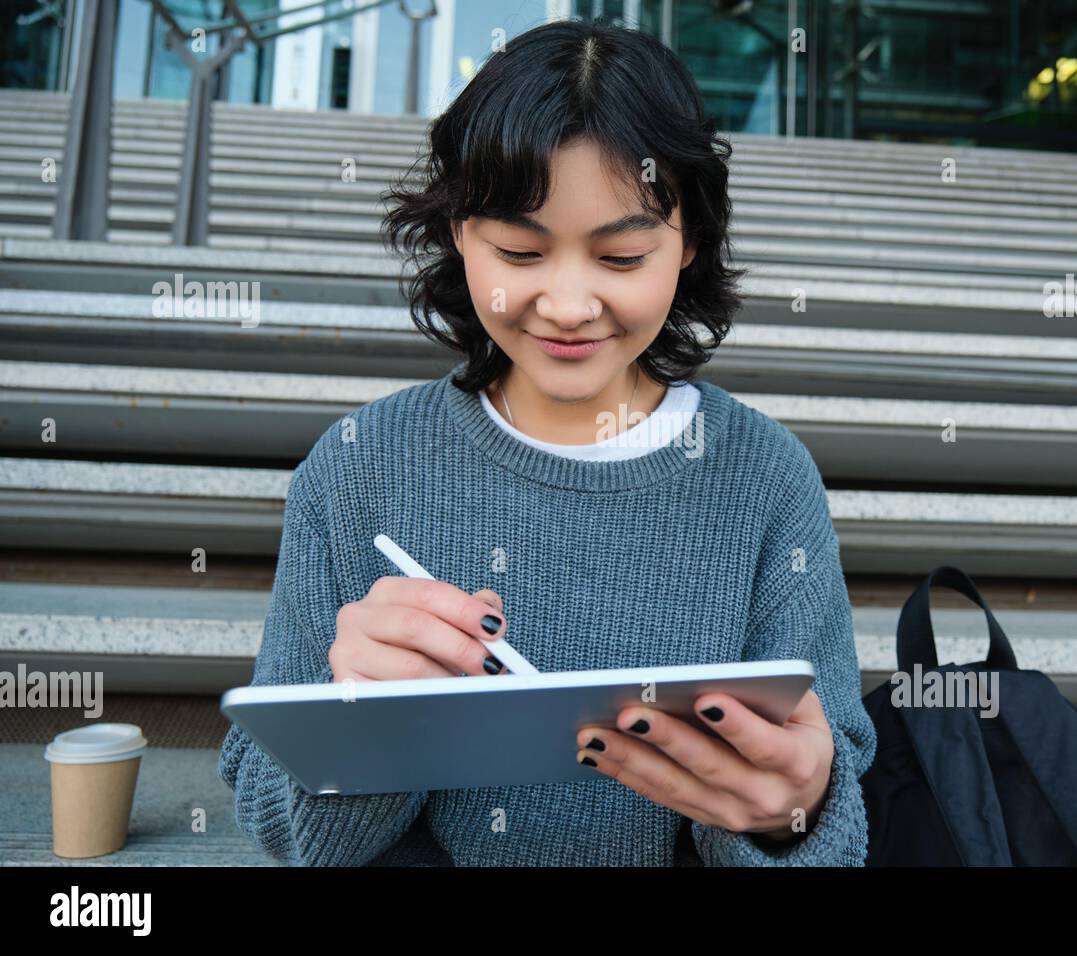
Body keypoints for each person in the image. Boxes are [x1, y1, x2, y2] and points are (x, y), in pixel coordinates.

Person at [217, 17, 876, 866]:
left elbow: (831, 789)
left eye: (624, 256)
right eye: (521, 251)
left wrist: (793, 810)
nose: (568, 305)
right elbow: (282, 824)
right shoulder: (359, 467)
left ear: (690, 243)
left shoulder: (764, 478)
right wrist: (369, 731)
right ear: (459, 232)